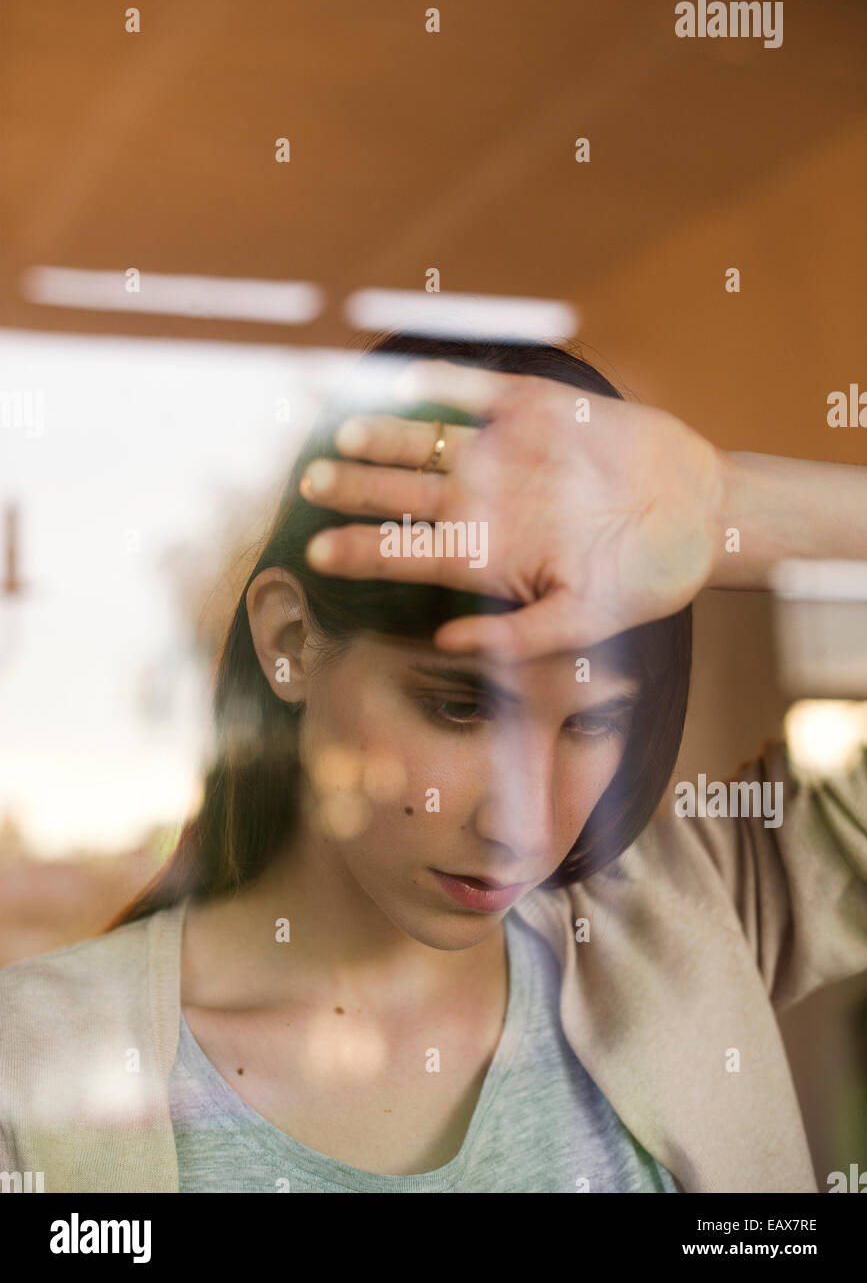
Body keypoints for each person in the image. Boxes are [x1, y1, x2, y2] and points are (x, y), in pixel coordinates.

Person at [1, 333, 865, 1194]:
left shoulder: (690, 916)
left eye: (593, 721)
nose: (520, 822)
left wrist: (727, 503)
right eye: (459, 707)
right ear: (290, 643)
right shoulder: (30, 1076)